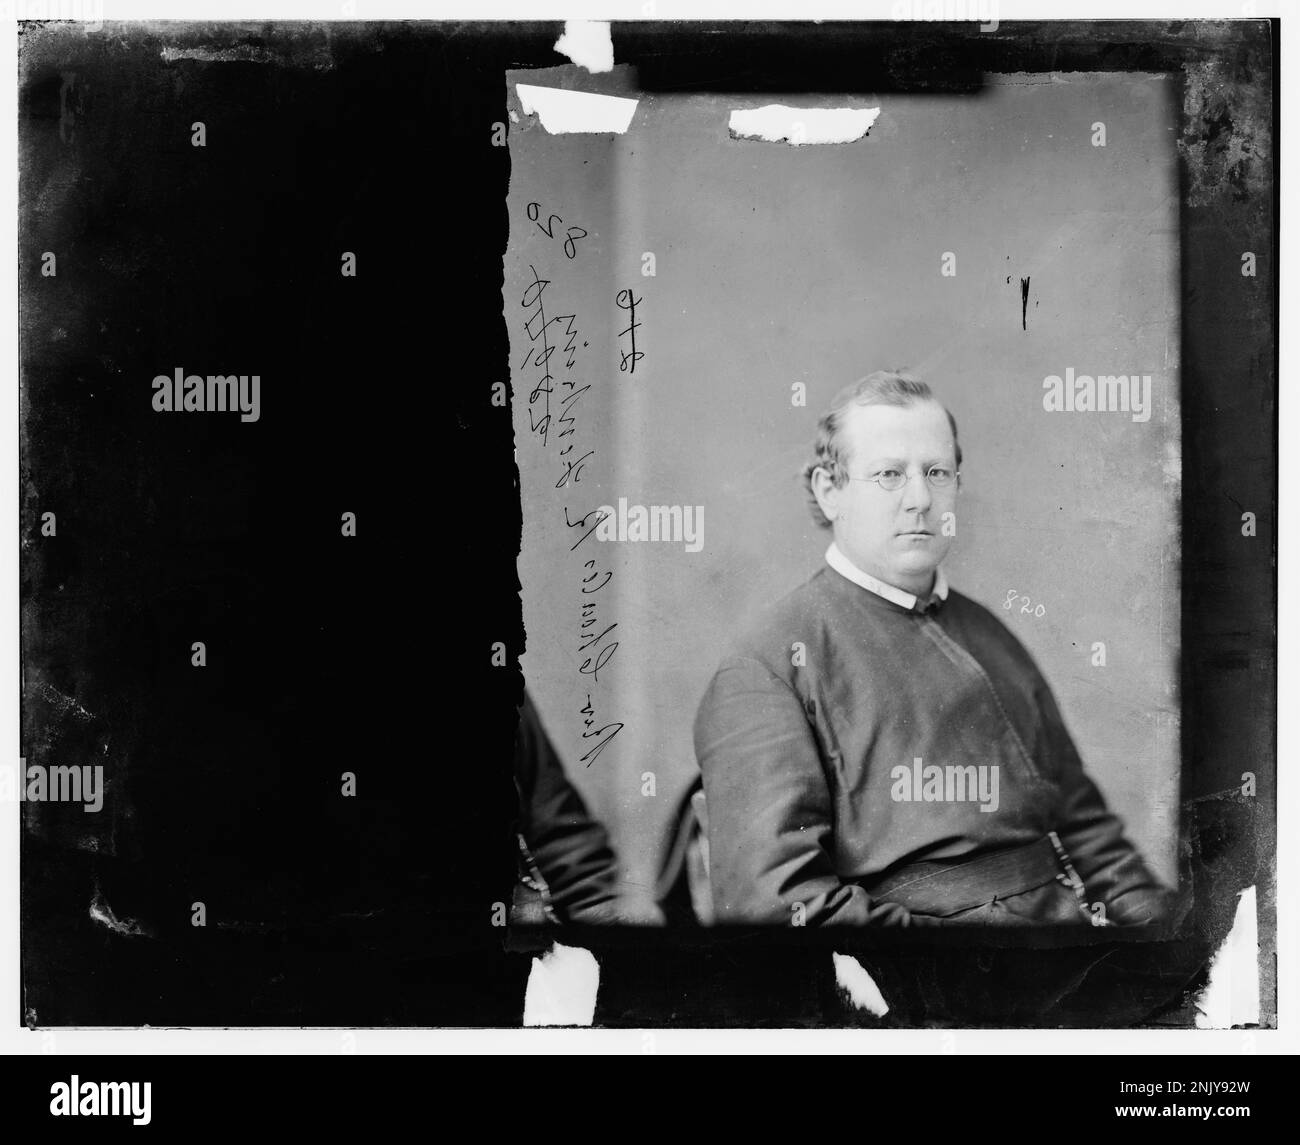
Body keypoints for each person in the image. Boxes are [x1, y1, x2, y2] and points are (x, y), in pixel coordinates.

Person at [692, 371, 1174, 927]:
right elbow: (783, 909)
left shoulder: (988, 630)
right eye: (889, 475)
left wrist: (1156, 941)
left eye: (936, 472)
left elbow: (1090, 834)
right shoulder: (769, 667)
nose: (919, 499)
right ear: (831, 491)